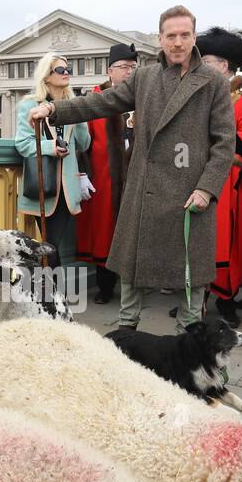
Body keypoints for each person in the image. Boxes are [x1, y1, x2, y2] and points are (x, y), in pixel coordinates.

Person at [28, 5, 235, 330]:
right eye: (171, 36)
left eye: (184, 35)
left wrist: (207, 189)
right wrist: (53, 109)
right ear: (161, 39)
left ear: (194, 36)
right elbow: (100, 102)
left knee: (191, 281)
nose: (178, 42)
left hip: (190, 196)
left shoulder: (214, 83)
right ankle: (126, 342)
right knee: (131, 272)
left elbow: (225, 144)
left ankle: (190, 354)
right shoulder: (145, 77)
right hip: (146, 190)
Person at [197, 27, 242, 326]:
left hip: (229, 183)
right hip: (193, 175)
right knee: (194, 241)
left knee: (225, 241)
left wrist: (218, 141)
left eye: (206, 60)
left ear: (223, 65)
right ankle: (193, 300)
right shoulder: (195, 89)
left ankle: (225, 301)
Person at [15, 53, 92, 270]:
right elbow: (23, 143)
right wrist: (51, 149)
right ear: (47, 75)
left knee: (52, 245)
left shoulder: (71, 104)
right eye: (60, 70)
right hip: (44, 185)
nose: (66, 73)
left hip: (67, 189)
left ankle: (49, 298)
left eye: (68, 69)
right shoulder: (29, 105)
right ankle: (52, 298)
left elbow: (84, 144)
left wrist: (80, 115)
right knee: (51, 246)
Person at [78, 43, 139, 304]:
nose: (129, 72)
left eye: (133, 68)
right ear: (110, 71)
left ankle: (136, 289)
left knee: (134, 233)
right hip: (105, 180)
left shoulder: (144, 99)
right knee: (105, 234)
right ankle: (105, 287)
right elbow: (81, 145)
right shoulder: (96, 101)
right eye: (124, 67)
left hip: (137, 180)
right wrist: (82, 174)